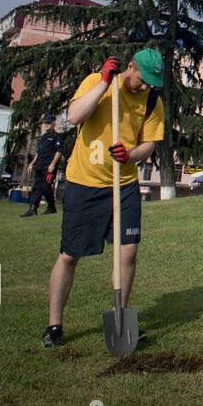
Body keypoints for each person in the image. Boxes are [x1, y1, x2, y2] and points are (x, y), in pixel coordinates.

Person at [42, 48, 165, 348]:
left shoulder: (151, 101)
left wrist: (130, 155)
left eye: (152, 82)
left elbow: (149, 145)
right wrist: (102, 84)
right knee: (70, 255)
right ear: (131, 67)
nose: (146, 86)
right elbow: (74, 116)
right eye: (142, 79)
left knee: (128, 252)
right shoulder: (97, 83)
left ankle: (118, 318)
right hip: (85, 182)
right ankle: (54, 325)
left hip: (123, 184)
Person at [21, 115, 63, 217]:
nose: (46, 125)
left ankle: (51, 207)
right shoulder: (43, 137)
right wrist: (32, 163)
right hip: (39, 166)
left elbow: (59, 151)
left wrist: (52, 165)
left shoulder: (56, 137)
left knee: (46, 187)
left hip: (48, 167)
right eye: (45, 123)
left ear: (54, 124)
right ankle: (33, 209)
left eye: (48, 123)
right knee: (36, 187)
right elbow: (38, 153)